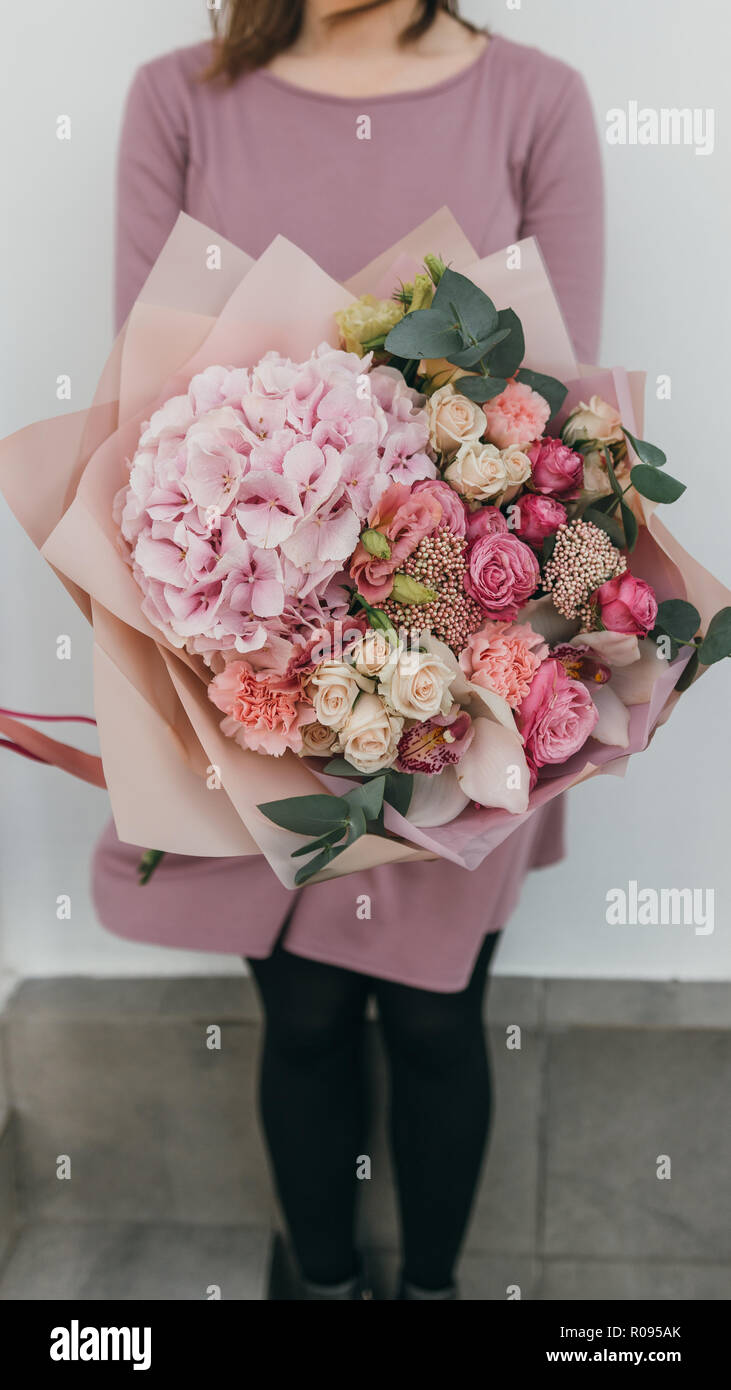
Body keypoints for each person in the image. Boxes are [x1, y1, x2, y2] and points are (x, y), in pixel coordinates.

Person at [97, 0, 604, 1299]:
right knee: (305, 1015)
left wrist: (427, 628)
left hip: (455, 673)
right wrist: (261, 626)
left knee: (437, 1016)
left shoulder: (535, 100)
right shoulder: (178, 101)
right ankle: (318, 1281)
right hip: (246, 673)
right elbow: (145, 412)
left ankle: (429, 1289)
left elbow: (561, 417)